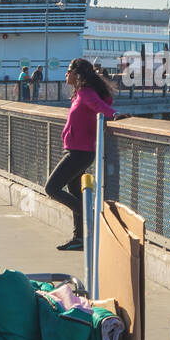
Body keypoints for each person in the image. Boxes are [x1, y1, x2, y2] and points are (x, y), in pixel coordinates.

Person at [44, 58, 119, 252]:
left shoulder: (86, 93)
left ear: (77, 74)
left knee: (51, 188)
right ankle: (79, 238)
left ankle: (91, 217)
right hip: (76, 150)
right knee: (75, 194)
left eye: (68, 71)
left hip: (80, 153)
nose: (66, 74)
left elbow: (102, 108)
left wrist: (115, 114)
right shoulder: (79, 94)